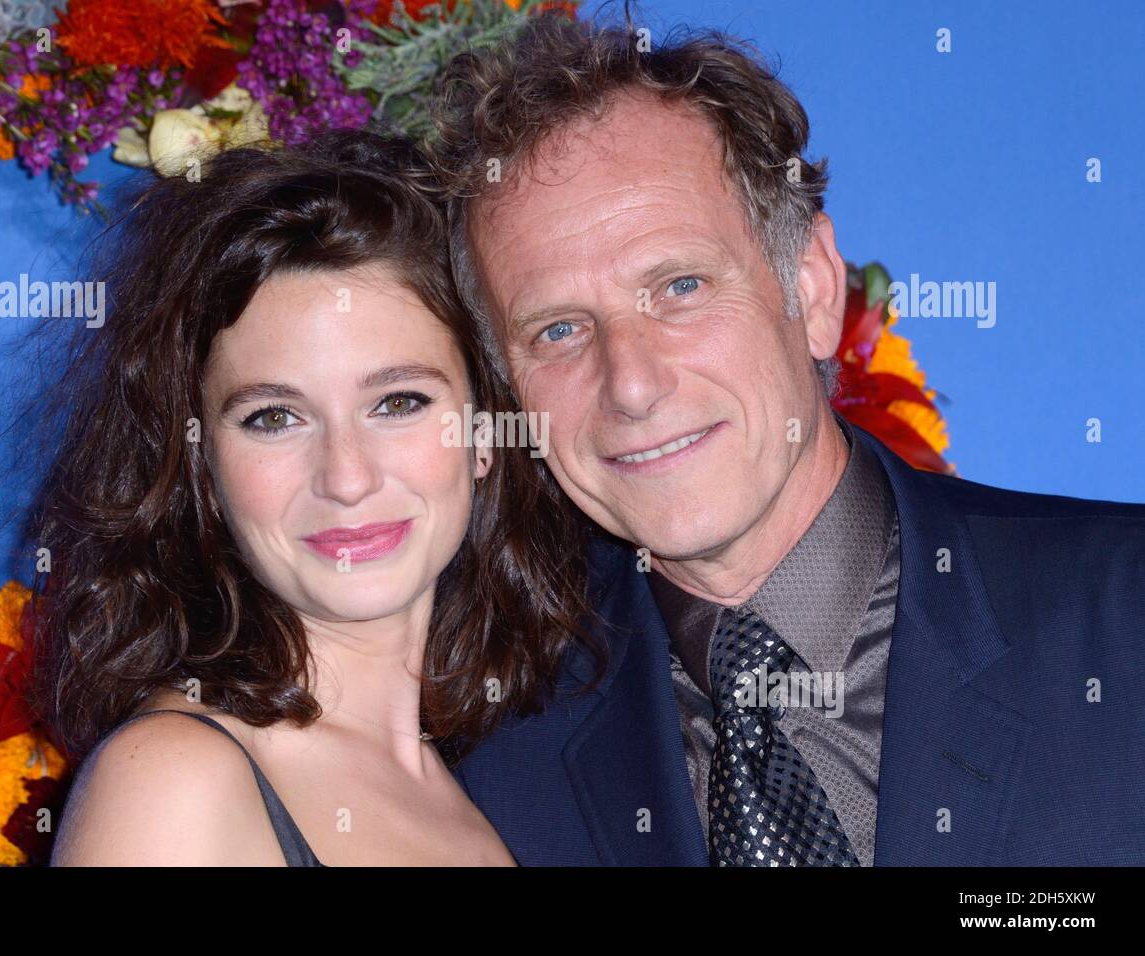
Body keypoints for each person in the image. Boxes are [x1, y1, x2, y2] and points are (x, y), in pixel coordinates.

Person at [422, 7, 1145, 865]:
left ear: (811, 283)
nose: (634, 383)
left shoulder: (1121, 622)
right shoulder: (477, 758)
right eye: (557, 332)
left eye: (680, 285)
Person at [31, 130, 605, 866]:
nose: (346, 476)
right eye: (274, 417)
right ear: (200, 466)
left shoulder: (494, 788)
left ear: (485, 430)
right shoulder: (173, 786)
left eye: (397, 402)